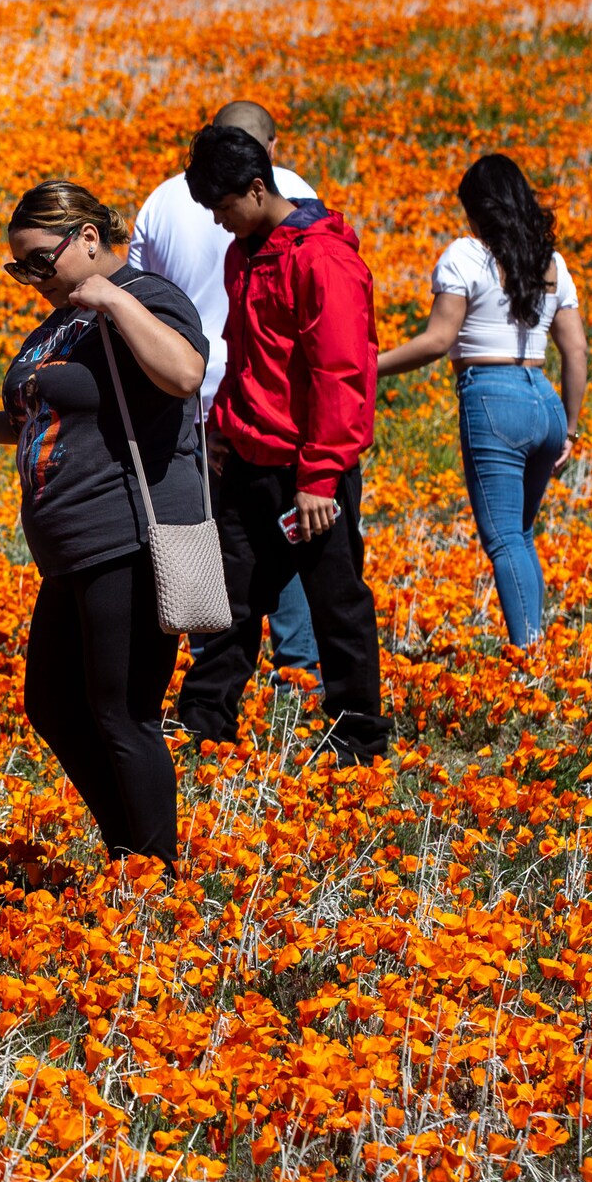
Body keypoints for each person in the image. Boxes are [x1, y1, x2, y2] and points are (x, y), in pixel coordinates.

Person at [0, 183, 207, 867]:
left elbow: (184, 372)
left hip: (127, 531)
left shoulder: (145, 293)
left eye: (39, 263)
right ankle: (130, 852)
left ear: (88, 237)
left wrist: (113, 298)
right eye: (18, 268)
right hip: (70, 543)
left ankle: (153, 874)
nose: (32, 281)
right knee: (53, 703)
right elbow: (57, 416)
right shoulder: (56, 323)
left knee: (122, 712)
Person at [171, 125, 393, 766]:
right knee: (230, 600)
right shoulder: (246, 251)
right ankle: (204, 723)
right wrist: (222, 429)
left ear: (258, 188)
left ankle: (358, 740)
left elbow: (341, 372)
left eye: (223, 207)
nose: (217, 222)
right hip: (246, 457)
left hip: (305, 470)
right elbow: (245, 358)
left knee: (337, 604)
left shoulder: (322, 259)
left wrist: (321, 475)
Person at [132, 99, 322, 674]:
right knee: (283, 540)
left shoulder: (165, 198)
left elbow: (138, 297)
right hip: (272, 397)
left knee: (210, 539)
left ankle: (213, 669)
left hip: (186, 394)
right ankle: (298, 674)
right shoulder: (293, 189)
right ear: (269, 148)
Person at [378, 154, 588, 645]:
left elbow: (436, 340)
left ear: (477, 210)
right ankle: (537, 651)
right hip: (546, 401)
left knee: (504, 539)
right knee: (522, 533)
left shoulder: (465, 255)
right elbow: (575, 349)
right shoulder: (550, 263)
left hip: (493, 400)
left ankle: (529, 659)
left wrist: (371, 366)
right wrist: (572, 427)